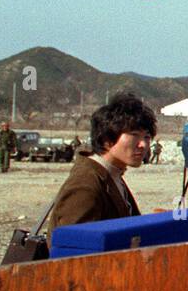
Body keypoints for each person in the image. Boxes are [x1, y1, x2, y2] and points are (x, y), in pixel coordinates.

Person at [49, 94, 155, 229]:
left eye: (147, 137)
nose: (143, 145)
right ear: (107, 139)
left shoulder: (112, 174)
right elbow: (76, 245)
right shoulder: (85, 185)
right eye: (134, 135)